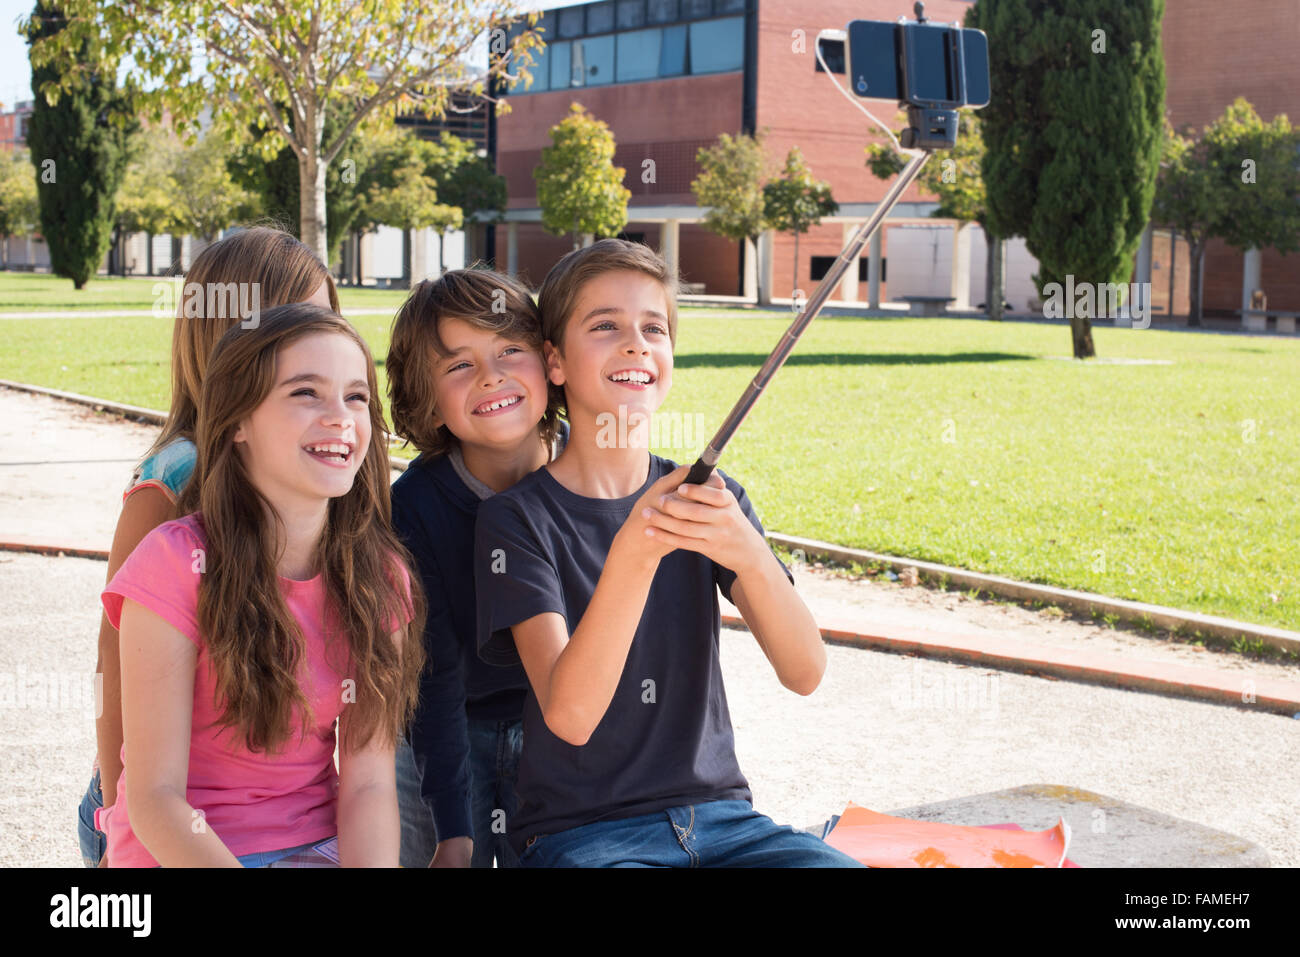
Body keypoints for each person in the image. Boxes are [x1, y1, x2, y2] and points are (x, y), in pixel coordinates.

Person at [474, 239, 862, 867]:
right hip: (583, 837)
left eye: (653, 327)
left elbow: (805, 672)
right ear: (555, 362)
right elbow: (570, 716)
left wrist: (754, 558)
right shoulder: (516, 521)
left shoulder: (714, 500)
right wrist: (636, 549)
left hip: (727, 824)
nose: (635, 344)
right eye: (605, 326)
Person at [97, 304, 424, 866]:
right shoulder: (174, 564)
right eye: (305, 393)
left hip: (313, 848)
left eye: (356, 396)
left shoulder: (380, 578)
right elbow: (156, 799)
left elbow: (369, 784)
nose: (341, 416)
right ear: (237, 423)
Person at [79, 227, 339, 867]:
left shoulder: (320, 467)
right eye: (299, 324)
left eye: (328, 319)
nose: (325, 343)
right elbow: (114, 668)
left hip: (274, 819)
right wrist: (120, 825)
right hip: (151, 812)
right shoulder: (174, 479)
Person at [387, 268, 567, 868]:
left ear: (550, 363)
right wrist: (453, 831)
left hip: (554, 732)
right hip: (440, 732)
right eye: (458, 364)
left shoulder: (596, 474)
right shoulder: (413, 508)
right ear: (428, 401)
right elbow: (430, 672)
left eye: (510, 349)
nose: (491, 376)